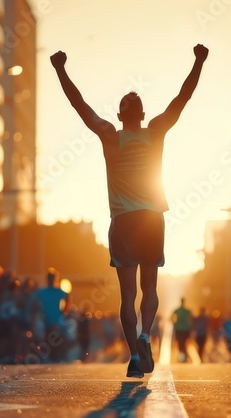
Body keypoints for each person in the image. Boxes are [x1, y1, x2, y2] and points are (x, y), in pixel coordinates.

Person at [51, 44, 208, 377]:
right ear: (142, 112)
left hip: (123, 221)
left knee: (127, 293)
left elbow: (80, 106)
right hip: (152, 218)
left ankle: (136, 356)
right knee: (149, 288)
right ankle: (144, 334)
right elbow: (183, 98)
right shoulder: (156, 132)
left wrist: (60, 69)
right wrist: (198, 62)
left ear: (122, 116)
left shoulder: (110, 135)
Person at [34, 268, 69, 362]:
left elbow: (68, 297)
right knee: (44, 339)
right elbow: (34, 302)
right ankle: (47, 357)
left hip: (56, 320)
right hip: (44, 320)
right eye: (49, 278)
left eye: (52, 278)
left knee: (54, 339)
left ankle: (56, 357)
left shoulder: (59, 291)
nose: (50, 280)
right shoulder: (42, 291)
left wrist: (65, 311)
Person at [171, 297, 193, 362]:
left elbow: (172, 318)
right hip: (186, 329)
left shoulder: (176, 310)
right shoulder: (188, 311)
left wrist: (175, 324)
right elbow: (191, 320)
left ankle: (181, 356)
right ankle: (184, 356)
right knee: (184, 343)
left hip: (178, 329)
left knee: (180, 343)